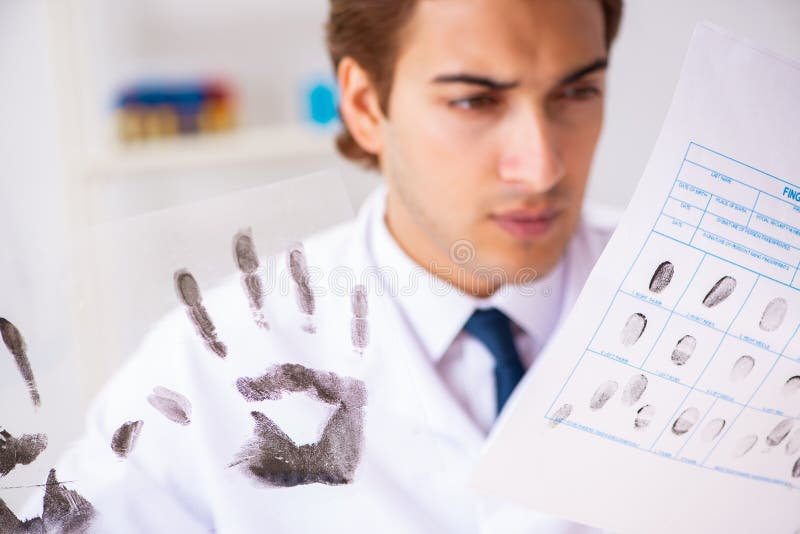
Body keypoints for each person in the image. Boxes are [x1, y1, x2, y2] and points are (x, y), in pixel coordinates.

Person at [25, 0, 624, 532]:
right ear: (365, 106)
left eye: (577, 93)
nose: (542, 168)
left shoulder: (678, 289)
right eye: (474, 101)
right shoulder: (202, 370)